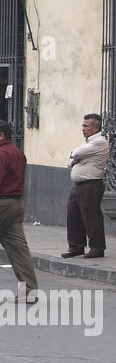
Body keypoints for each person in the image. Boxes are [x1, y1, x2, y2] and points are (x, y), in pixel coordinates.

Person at [0, 122, 39, 303]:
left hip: (3, 203)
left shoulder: (2, 153)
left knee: (18, 248)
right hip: (15, 202)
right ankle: (29, 292)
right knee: (18, 249)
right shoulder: (17, 152)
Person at [62, 113, 109, 260]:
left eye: (86, 126)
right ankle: (76, 246)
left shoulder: (99, 141)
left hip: (91, 184)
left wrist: (75, 158)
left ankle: (97, 247)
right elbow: (71, 160)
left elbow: (75, 153)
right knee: (73, 214)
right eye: (83, 125)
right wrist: (73, 160)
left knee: (91, 216)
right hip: (79, 185)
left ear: (95, 127)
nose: (83, 129)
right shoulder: (88, 142)